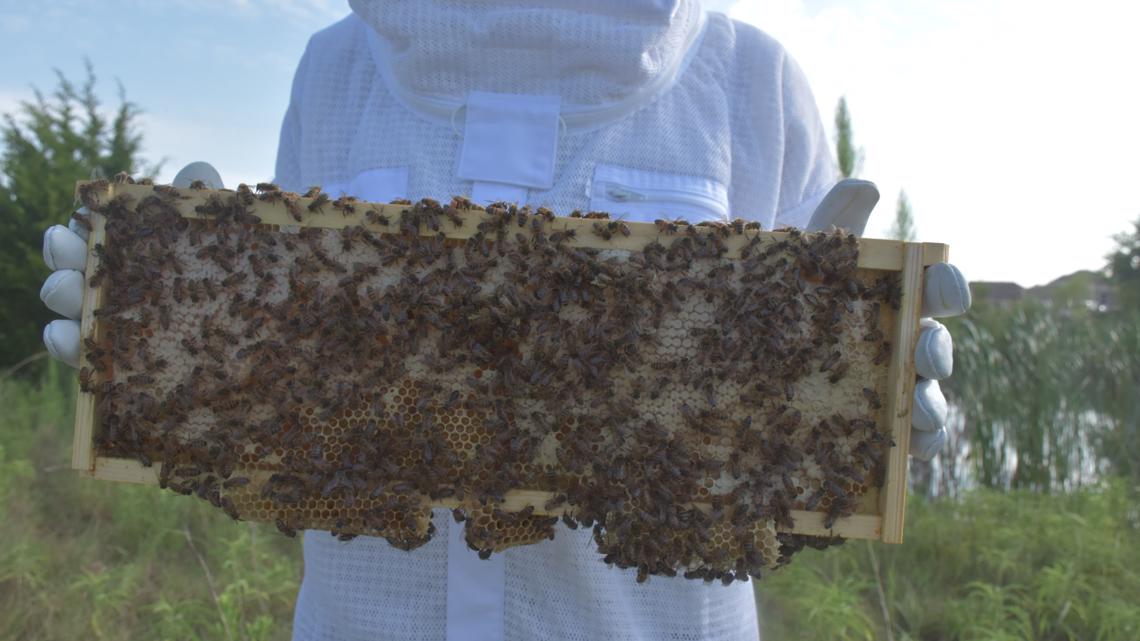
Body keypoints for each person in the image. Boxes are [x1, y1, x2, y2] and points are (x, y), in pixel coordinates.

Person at [39, 1, 971, 639]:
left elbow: (808, 406)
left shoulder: (750, 78)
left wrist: (862, 386)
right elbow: (285, 369)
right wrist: (173, 321)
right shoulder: (334, 69)